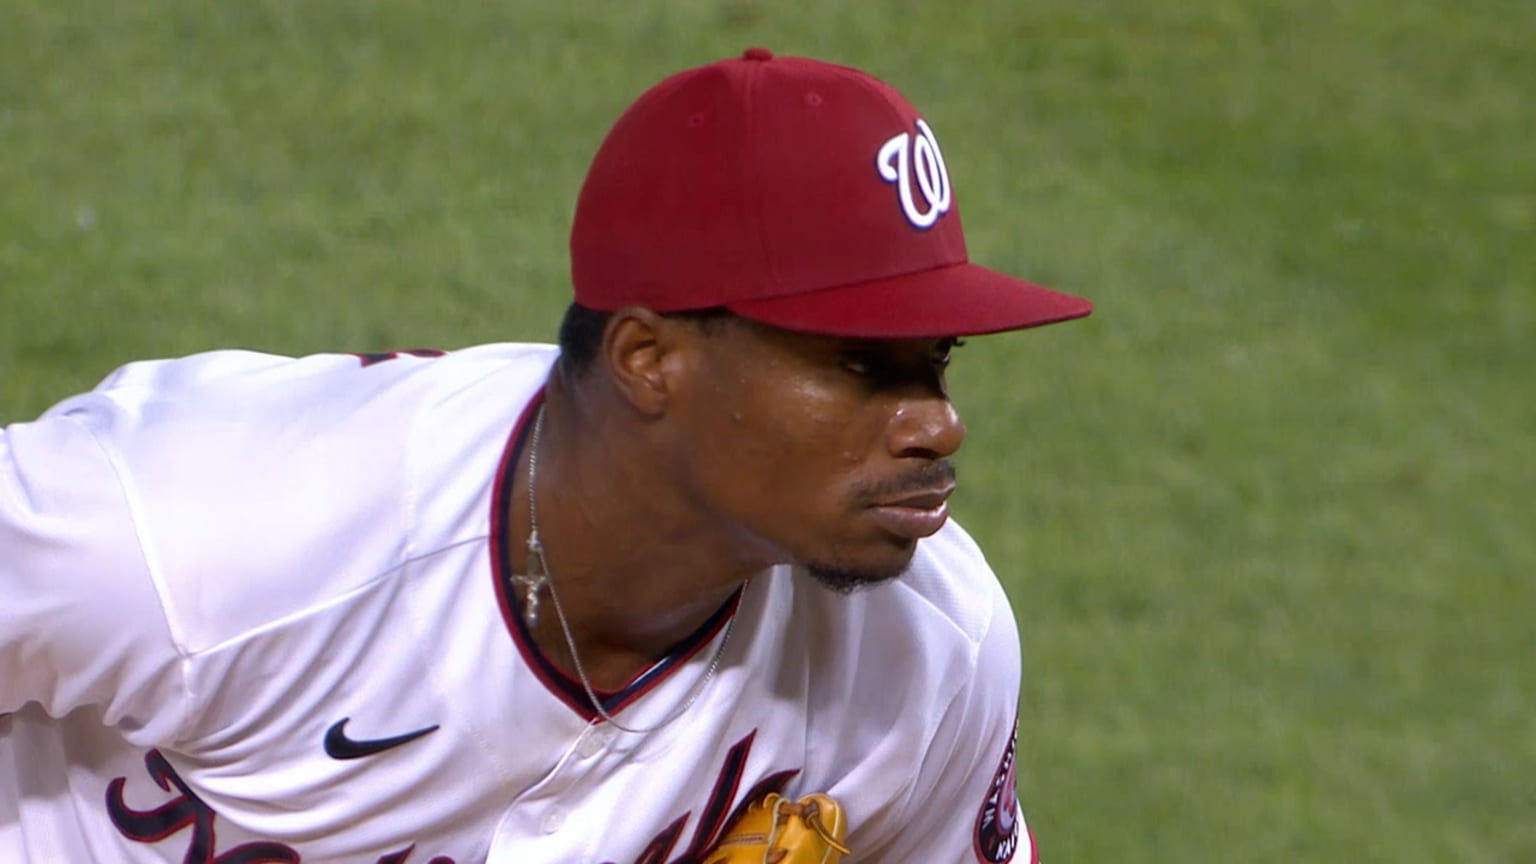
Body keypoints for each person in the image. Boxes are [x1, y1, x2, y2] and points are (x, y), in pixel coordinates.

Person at [0, 49, 1090, 863]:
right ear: (649, 358)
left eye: (935, 359)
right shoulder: (207, 525)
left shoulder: (932, 651)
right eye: (863, 366)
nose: (936, 424)